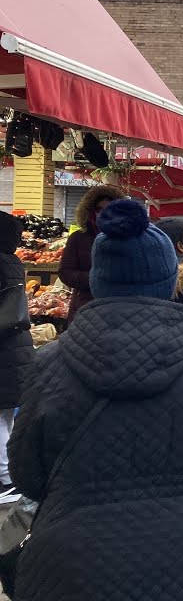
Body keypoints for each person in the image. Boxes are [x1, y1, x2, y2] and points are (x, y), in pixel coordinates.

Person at [8, 199, 183, 601]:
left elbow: (26, 474)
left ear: (98, 279)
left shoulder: (49, 362)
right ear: (169, 278)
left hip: (68, 562)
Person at [0, 211, 35, 502]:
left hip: (4, 351)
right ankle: (9, 472)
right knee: (5, 417)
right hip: (14, 348)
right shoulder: (12, 262)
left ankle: (5, 479)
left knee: (1, 417)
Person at [57, 185, 126, 322]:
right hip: (85, 307)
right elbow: (65, 272)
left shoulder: (127, 238)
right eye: (99, 209)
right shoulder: (78, 238)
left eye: (109, 209)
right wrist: (94, 278)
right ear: (91, 212)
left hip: (119, 307)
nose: (104, 213)